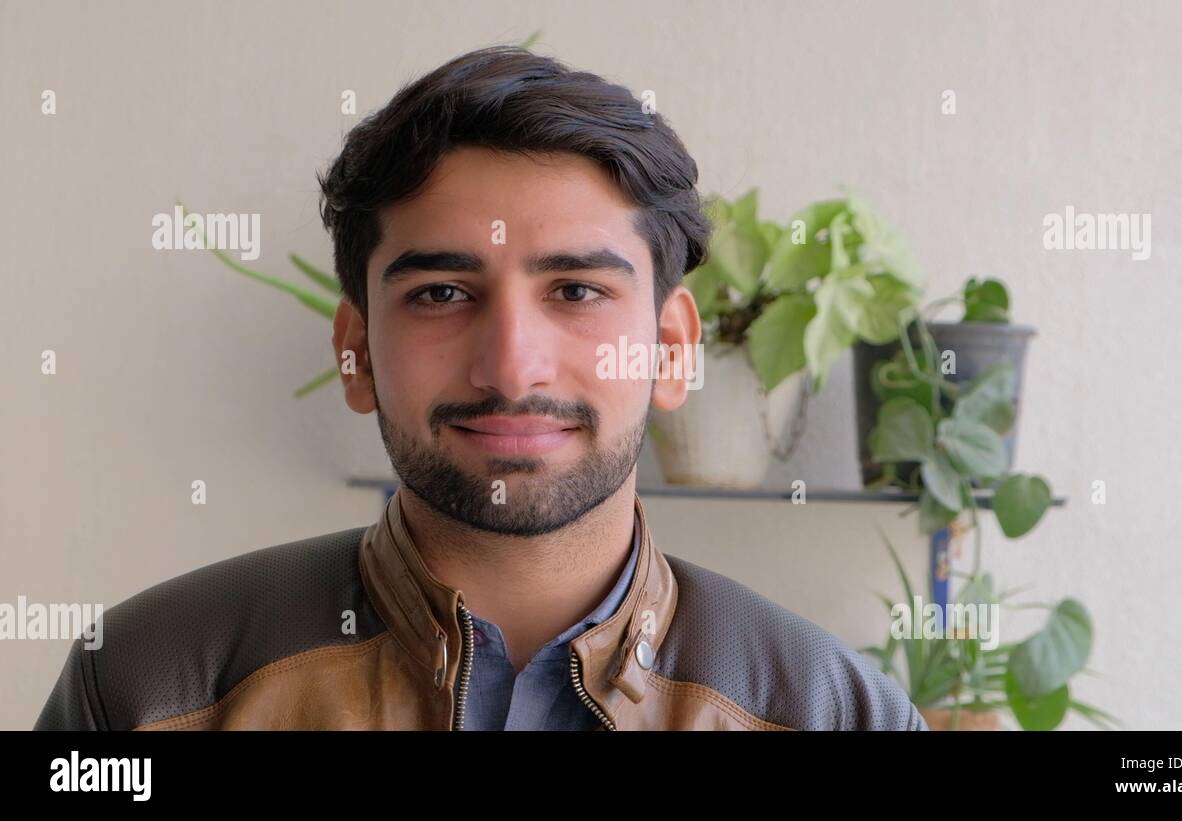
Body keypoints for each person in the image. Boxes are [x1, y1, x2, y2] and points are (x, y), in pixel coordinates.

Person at [34, 45, 927, 731]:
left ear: (670, 351)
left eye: (576, 291)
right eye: (441, 294)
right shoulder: (150, 684)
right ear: (357, 352)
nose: (510, 365)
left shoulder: (834, 712)